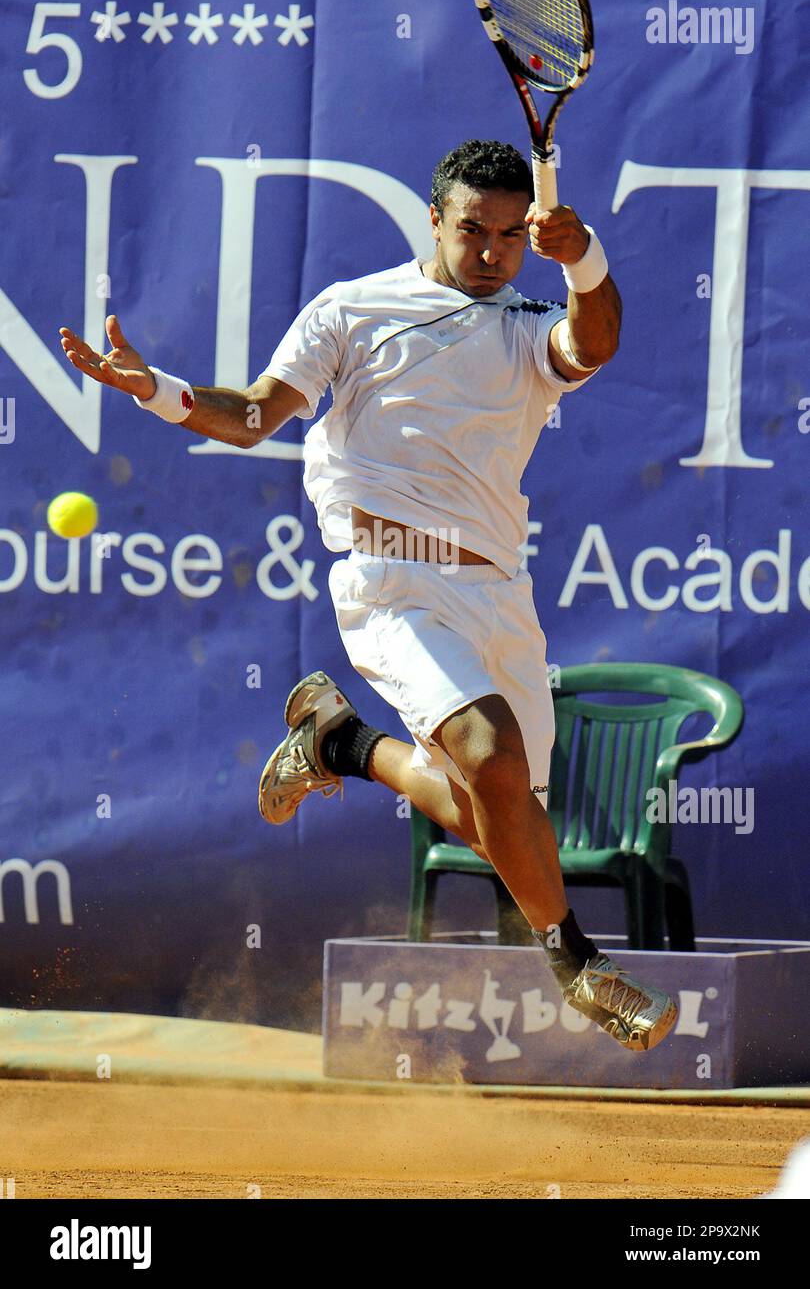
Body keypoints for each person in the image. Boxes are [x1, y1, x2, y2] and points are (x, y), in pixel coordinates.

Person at [59, 139, 678, 1052]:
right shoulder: (352, 312)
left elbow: (596, 340)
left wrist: (583, 256)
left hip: (498, 593)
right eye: (474, 229)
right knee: (491, 756)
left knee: (498, 822)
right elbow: (256, 414)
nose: (493, 250)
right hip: (389, 584)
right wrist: (159, 391)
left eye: (512, 234)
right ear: (434, 219)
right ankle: (579, 963)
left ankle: (345, 744)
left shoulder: (527, 323)